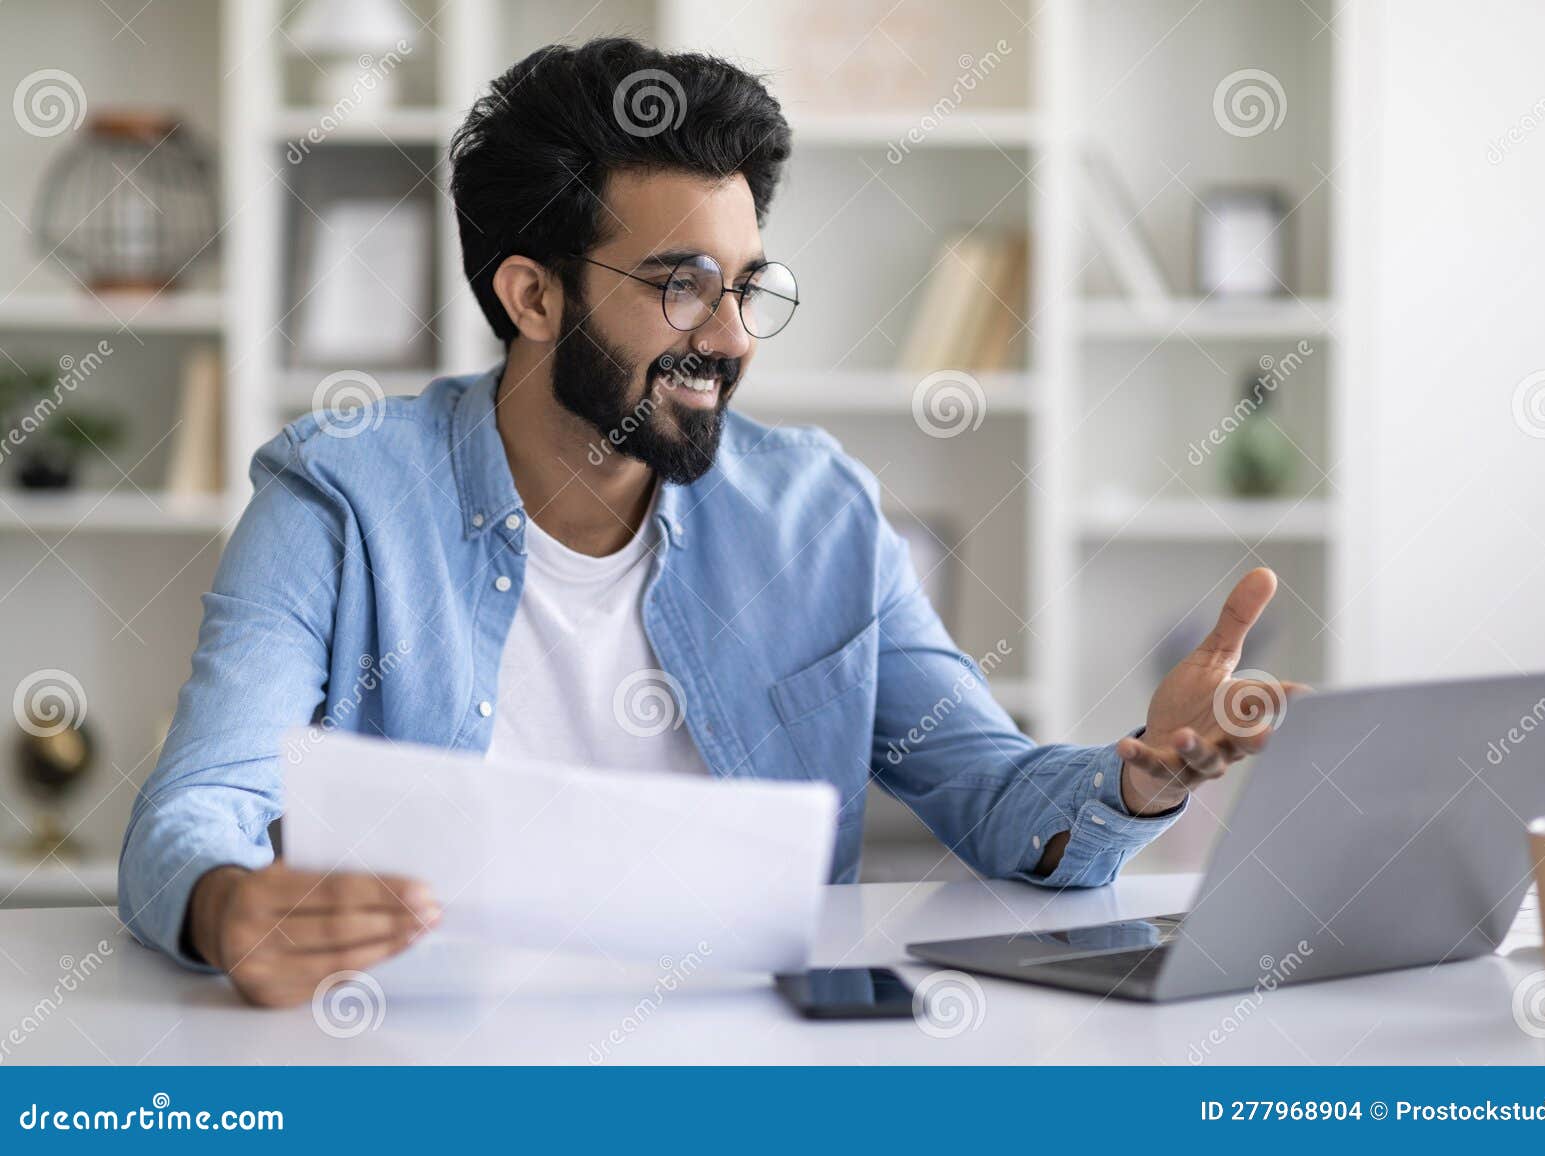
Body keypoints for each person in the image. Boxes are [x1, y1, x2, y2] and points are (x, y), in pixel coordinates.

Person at [118, 37, 1303, 1006]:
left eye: (745, 285)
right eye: (681, 285)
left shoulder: (818, 510)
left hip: (756, 1064)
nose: (732, 337)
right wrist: (229, 908)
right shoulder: (339, 498)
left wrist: (1143, 779)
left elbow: (990, 795)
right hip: (425, 1054)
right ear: (531, 294)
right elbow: (198, 805)